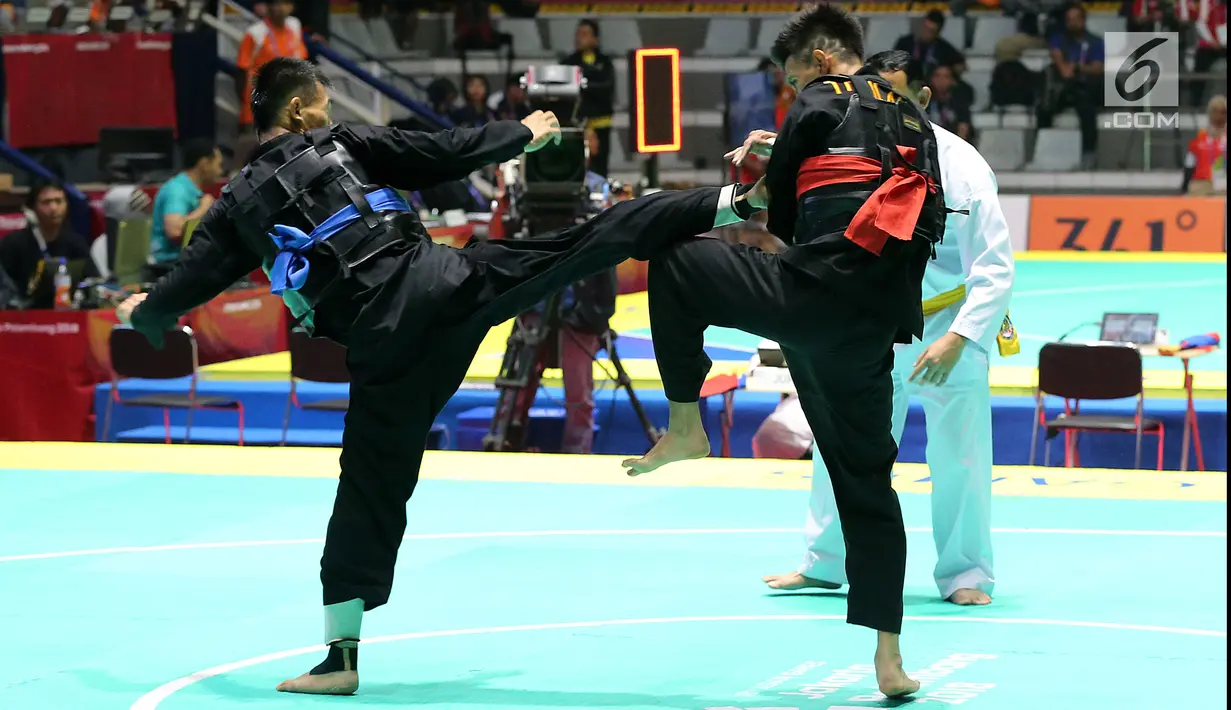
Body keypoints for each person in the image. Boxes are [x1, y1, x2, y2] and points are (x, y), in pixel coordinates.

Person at [115, 57, 767, 696]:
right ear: (296, 110)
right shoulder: (343, 142)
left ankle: (339, 658)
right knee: (587, 240)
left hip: (385, 346)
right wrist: (523, 131)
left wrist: (142, 313)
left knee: (368, 490)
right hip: (444, 289)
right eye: (322, 105)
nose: (329, 115)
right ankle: (737, 201)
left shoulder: (233, 205)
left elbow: (185, 285)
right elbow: (440, 152)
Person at [621, 5, 945, 698]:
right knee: (867, 487)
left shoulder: (819, 98)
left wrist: (761, 170)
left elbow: (783, 223)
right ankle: (889, 659)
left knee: (675, 261)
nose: (793, 87)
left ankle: (684, 427)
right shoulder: (917, 119)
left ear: (822, 59)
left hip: (810, 300)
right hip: (871, 332)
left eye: (794, 75)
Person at [761, 49, 1016, 609]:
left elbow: (994, 267)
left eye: (896, 96)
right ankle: (826, 563)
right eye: (872, 94)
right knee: (843, 443)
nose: (882, 106)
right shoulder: (851, 153)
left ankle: (965, 573)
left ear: (923, 99)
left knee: (962, 456)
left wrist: (960, 337)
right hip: (872, 322)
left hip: (949, 323)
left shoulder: (963, 165)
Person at [0, 179, 99, 308]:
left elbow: (92, 281)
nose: (53, 208)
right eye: (46, 202)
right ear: (32, 208)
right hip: (22, 318)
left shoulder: (76, 243)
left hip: (68, 316)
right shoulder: (12, 244)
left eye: (58, 201)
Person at [145, 140, 225, 282]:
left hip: (188, 263)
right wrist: (203, 209)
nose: (220, 172)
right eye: (218, 165)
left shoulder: (191, 190)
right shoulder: (177, 189)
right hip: (167, 268)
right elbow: (175, 231)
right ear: (204, 164)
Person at [561, 19, 616, 177]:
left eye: (584, 34)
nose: (579, 38)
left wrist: (583, 84)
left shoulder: (604, 62)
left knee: (600, 169)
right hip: (577, 126)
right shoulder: (568, 63)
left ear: (595, 39)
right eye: (578, 34)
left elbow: (607, 88)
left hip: (601, 124)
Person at [1183, 94, 1227, 196]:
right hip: (1201, 183)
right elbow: (1190, 162)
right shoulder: (1200, 137)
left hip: (1223, 184)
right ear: (1210, 113)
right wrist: (1184, 186)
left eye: (1222, 112)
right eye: (1215, 111)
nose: (1219, 115)